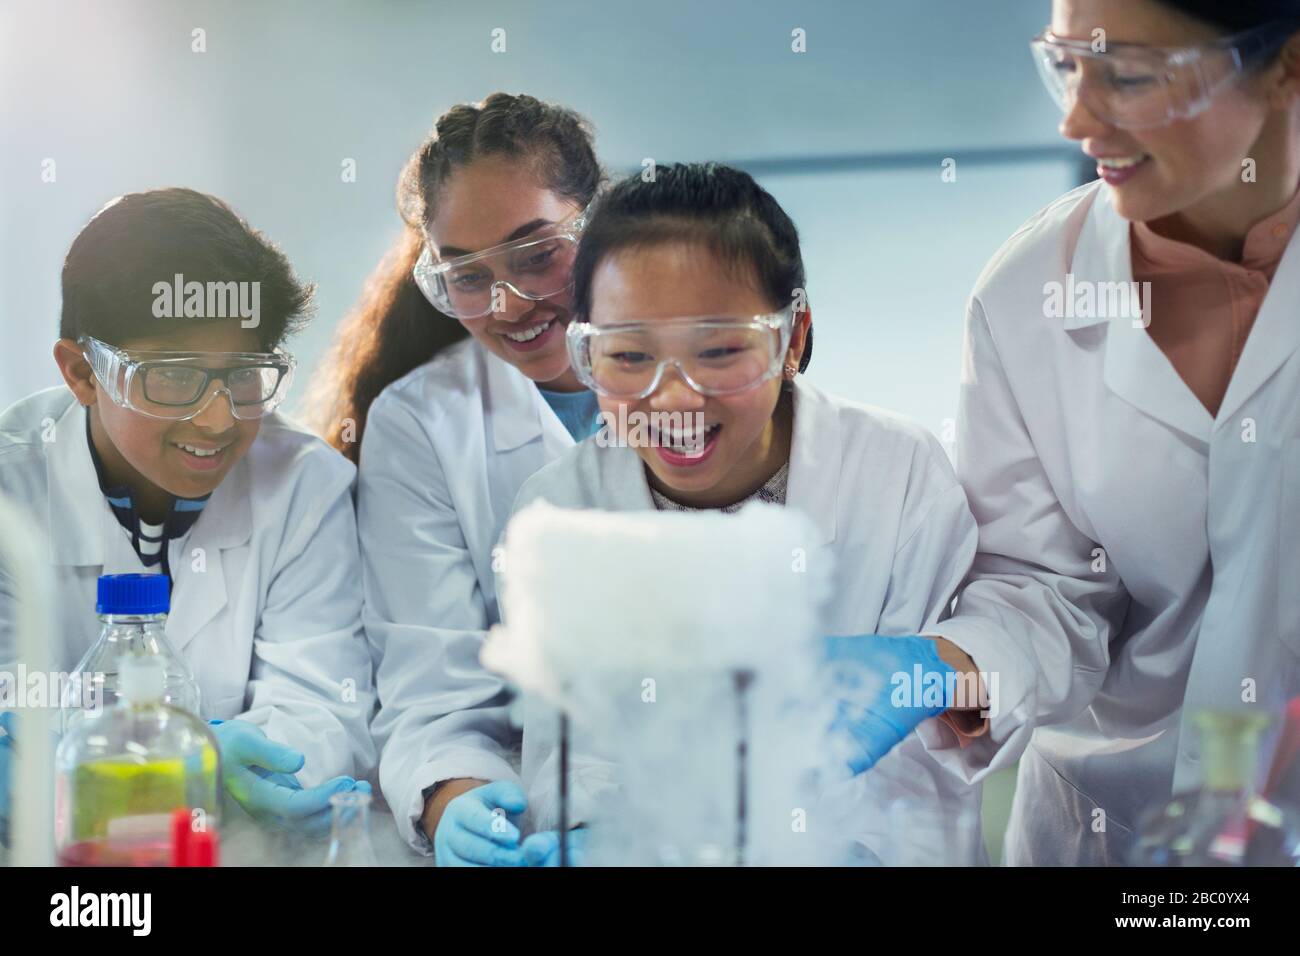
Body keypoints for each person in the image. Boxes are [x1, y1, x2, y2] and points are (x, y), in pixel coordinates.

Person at [505, 162, 987, 865]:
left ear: (792, 340)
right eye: (629, 356)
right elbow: (565, 759)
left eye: (720, 352)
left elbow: (923, 771)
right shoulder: (557, 509)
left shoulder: (898, 471)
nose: (673, 400)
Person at [918, 0, 1300, 864]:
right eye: (1067, 66)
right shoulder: (1026, 294)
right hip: (1107, 828)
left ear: (1286, 65)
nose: (1076, 118)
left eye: (1128, 75)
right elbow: (1047, 585)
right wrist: (959, 664)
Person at [0, 188, 375, 838]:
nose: (216, 418)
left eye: (244, 375)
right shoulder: (13, 495)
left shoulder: (304, 488)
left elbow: (323, 709)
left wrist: (149, 769)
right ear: (83, 373)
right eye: (171, 377)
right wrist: (187, 764)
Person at [309, 93, 605, 861]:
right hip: (530, 813)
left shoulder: (708, 379)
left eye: (539, 253)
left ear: (600, 220)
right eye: (468, 276)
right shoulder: (420, 423)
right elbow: (432, 688)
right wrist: (457, 802)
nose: (509, 303)